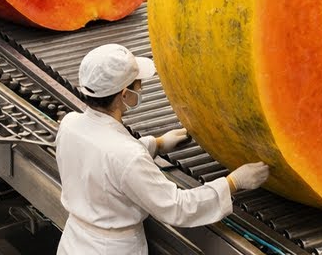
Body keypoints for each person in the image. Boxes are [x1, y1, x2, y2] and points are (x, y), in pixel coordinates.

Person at [55, 44, 270, 254]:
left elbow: (105, 160)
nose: (141, 88)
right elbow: (176, 207)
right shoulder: (128, 156)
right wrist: (232, 183)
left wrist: (156, 143)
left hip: (74, 241)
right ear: (125, 95)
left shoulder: (70, 124)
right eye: (137, 84)